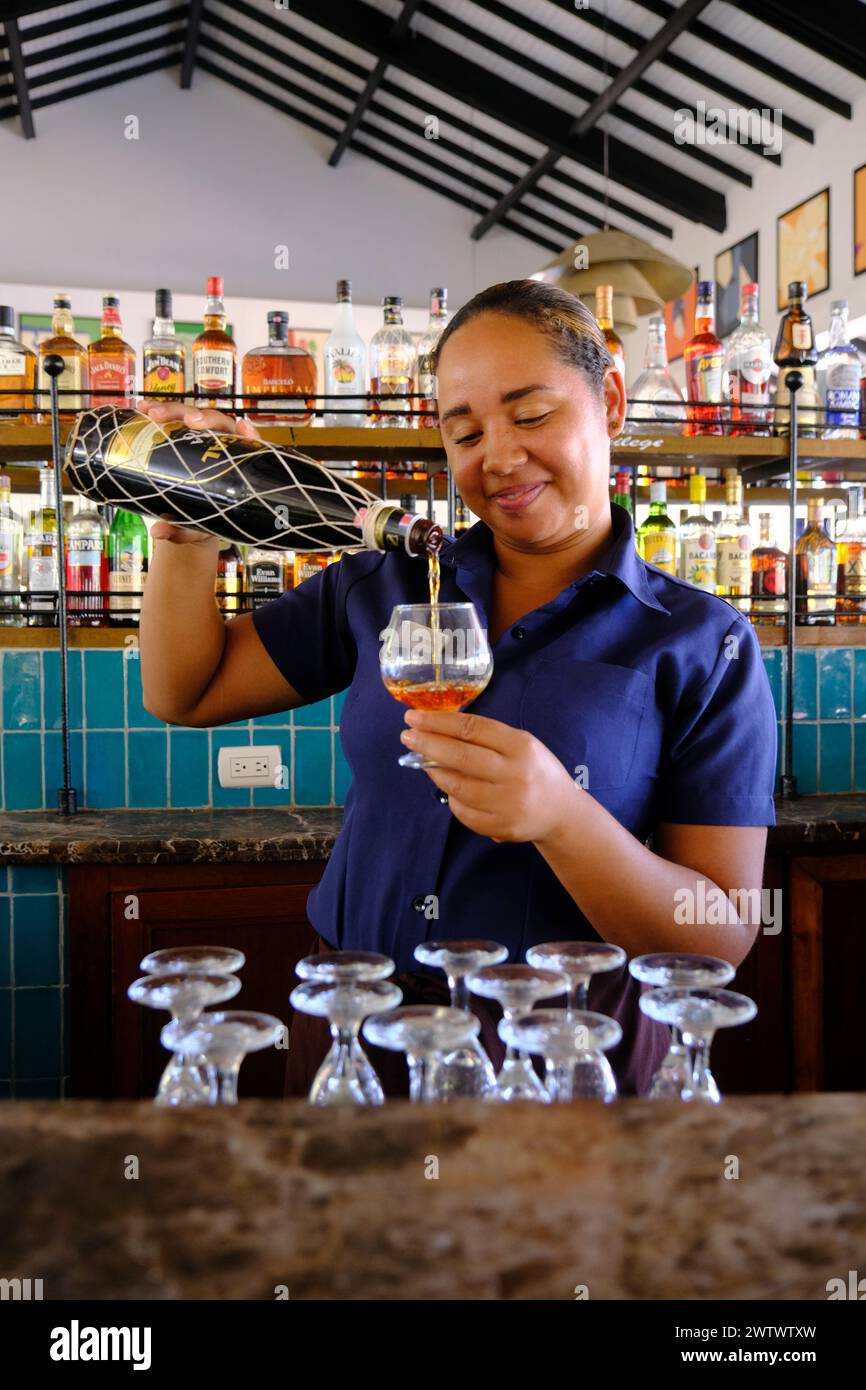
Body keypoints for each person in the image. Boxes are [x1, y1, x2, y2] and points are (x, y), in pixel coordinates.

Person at [138, 279, 777, 1098]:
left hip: (563, 1049)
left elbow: (717, 933)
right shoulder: (379, 585)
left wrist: (562, 818)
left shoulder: (700, 641)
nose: (499, 457)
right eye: (465, 431)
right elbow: (186, 692)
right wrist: (186, 536)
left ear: (610, 400)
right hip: (355, 1030)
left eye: (532, 414)